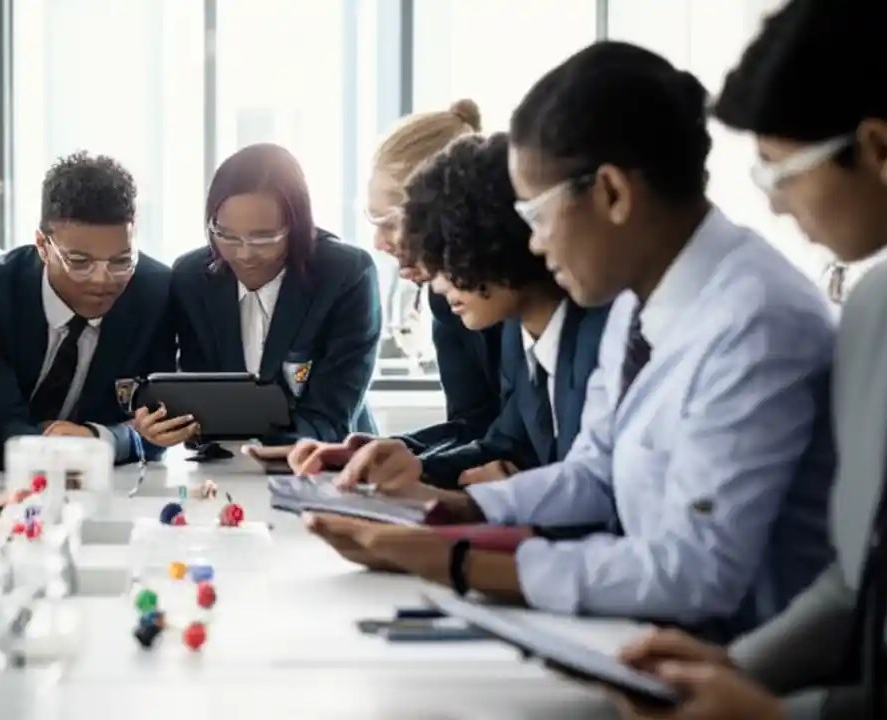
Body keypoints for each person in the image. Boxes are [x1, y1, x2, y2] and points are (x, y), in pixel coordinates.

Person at [302, 42, 836, 639]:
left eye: (536, 216)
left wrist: (452, 558)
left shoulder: (755, 322)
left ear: (611, 193)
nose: (531, 244)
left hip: (730, 661)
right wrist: (451, 510)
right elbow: (594, 470)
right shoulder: (636, 304)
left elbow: (696, 572)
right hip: (646, 630)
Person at [614, 2, 887, 718]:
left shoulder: (772, 310)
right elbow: (860, 577)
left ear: (881, 150)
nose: (777, 208)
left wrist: (781, 717)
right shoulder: (881, 308)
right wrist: (730, 669)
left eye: (778, 174)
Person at [293, 132, 608, 488]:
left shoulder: (600, 337)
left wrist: (508, 492)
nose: (439, 285)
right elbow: (504, 443)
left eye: (446, 255)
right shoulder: (520, 336)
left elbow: (592, 490)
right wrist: (403, 464)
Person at [163, 143, 381, 448]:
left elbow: (330, 413)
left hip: (326, 460)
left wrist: (259, 443)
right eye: (226, 235)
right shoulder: (192, 278)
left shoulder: (346, 275)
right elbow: (199, 395)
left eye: (264, 237)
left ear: (297, 226)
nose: (244, 254)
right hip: (223, 463)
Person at [0, 151, 175, 468]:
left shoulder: (155, 293)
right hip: (0, 481)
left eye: (122, 261)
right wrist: (57, 446)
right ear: (42, 245)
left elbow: (157, 428)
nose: (103, 279)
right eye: (79, 262)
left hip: (108, 488)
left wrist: (100, 440)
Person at [367, 100, 504, 453]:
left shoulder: (528, 302)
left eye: (391, 223)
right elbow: (473, 425)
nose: (379, 243)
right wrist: (388, 452)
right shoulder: (446, 300)